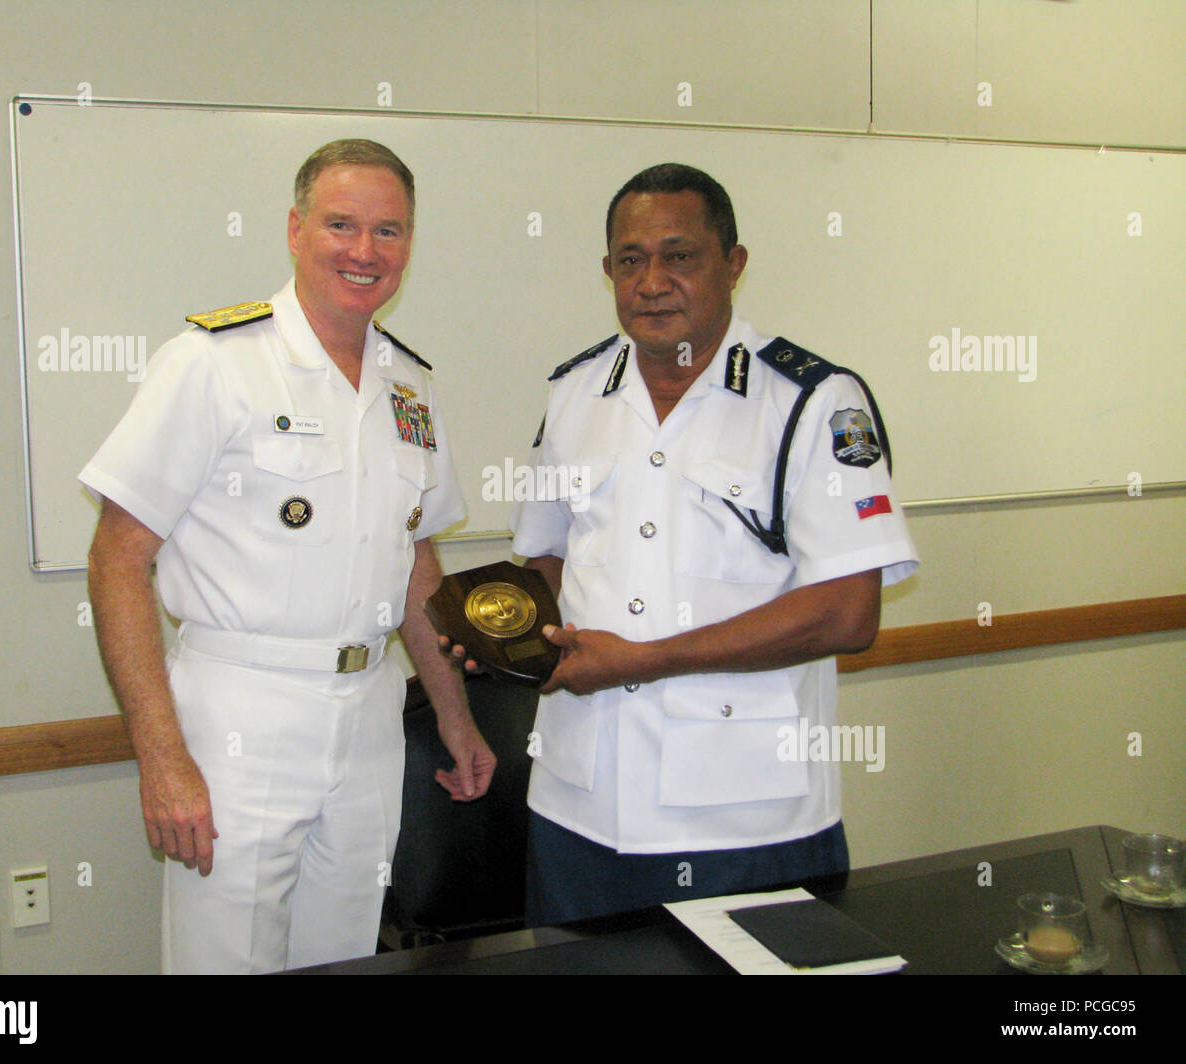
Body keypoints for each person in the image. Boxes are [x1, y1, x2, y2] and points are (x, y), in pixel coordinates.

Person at [81, 139, 494, 973]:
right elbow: (119, 558)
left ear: (410, 243)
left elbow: (415, 563)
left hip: (371, 716)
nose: (364, 251)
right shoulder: (214, 363)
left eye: (389, 230)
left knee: (345, 958)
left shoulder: (410, 386)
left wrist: (451, 711)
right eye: (341, 224)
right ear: (296, 228)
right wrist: (162, 758)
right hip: (241, 715)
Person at [482, 163, 919, 923]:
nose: (652, 281)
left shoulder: (812, 401)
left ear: (733, 265)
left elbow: (850, 614)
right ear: (608, 272)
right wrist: (507, 632)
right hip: (578, 807)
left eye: (679, 256)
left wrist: (647, 661)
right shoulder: (575, 393)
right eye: (629, 260)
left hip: (744, 818)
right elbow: (546, 558)